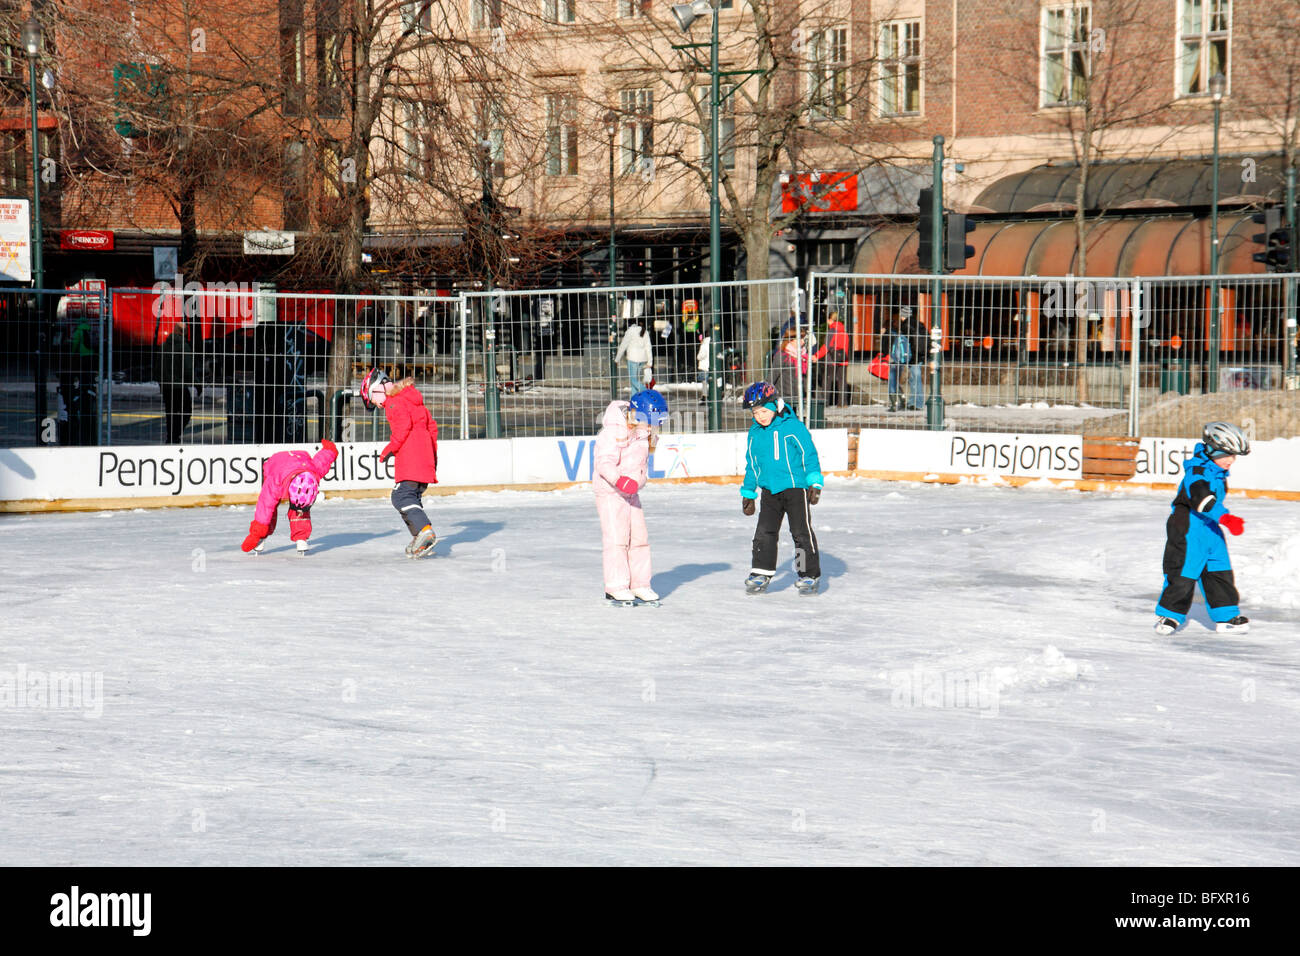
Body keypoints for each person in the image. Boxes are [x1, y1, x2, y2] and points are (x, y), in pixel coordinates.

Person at [1154, 422, 1252, 635]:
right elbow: (1202, 499)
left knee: (1219, 571)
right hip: (1188, 526)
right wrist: (1226, 518)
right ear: (1212, 450)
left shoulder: (1217, 471)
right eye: (1227, 454)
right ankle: (1170, 615)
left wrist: (1220, 520)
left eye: (1233, 456)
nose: (1231, 460)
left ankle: (1226, 617)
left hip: (1210, 528)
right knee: (1183, 571)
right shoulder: (1197, 471)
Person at [739, 381, 825, 596]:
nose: (760, 416)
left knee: (800, 532)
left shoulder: (792, 426)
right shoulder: (755, 433)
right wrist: (749, 492)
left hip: (796, 489)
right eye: (756, 412)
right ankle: (760, 572)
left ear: (774, 406)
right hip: (770, 491)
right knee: (764, 533)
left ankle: (808, 575)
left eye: (764, 410)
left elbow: (808, 454)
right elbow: (752, 463)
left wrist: (814, 481)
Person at [594, 388, 668, 604]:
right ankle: (616, 586)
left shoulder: (644, 435)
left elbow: (642, 469)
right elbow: (603, 463)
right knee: (617, 539)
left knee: (639, 539)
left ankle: (640, 584)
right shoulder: (612, 432)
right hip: (610, 493)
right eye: (652, 421)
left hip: (631, 495)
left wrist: (638, 482)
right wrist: (620, 480)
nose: (655, 426)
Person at [362, 367, 439, 558]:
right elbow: (432, 427)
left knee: (402, 496)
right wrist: (432, 458)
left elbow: (402, 427)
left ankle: (424, 531)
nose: (378, 406)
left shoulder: (394, 403)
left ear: (379, 389)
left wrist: (390, 449)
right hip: (425, 453)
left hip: (411, 454)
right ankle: (421, 538)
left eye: (374, 401)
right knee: (411, 495)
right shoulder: (411, 398)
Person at [241, 439, 339, 555]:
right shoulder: (275, 482)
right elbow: (265, 506)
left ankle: (301, 537)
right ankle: (262, 537)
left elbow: (323, 459)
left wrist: (329, 450)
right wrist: (256, 534)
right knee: (270, 508)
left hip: (300, 460)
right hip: (277, 463)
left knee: (300, 510)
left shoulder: (314, 471)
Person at [158, 320, 196, 444]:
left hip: (167, 386)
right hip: (179, 386)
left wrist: (161, 383)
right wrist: (197, 383)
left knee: (171, 412)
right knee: (186, 411)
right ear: (184, 332)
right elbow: (188, 368)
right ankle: (175, 435)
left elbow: (158, 367)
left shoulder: (164, 346)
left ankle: (170, 437)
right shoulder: (183, 346)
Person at [888, 306, 926, 412]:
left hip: (911, 357)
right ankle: (917, 403)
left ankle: (913, 403)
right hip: (920, 356)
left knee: (913, 380)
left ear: (903, 316)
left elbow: (906, 344)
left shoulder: (905, 326)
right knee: (916, 380)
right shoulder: (920, 324)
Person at [812, 310, 850, 406]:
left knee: (827, 382)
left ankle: (825, 403)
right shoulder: (844, 331)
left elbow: (826, 347)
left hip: (831, 361)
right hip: (843, 360)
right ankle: (843, 403)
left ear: (829, 320)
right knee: (842, 382)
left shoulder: (831, 331)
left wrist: (816, 356)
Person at [614, 319, 653, 394]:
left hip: (632, 359)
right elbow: (648, 347)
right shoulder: (645, 331)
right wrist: (650, 362)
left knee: (633, 380)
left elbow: (623, 346)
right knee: (635, 382)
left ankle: (646, 391)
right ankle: (634, 401)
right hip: (643, 359)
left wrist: (617, 359)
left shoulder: (630, 331)